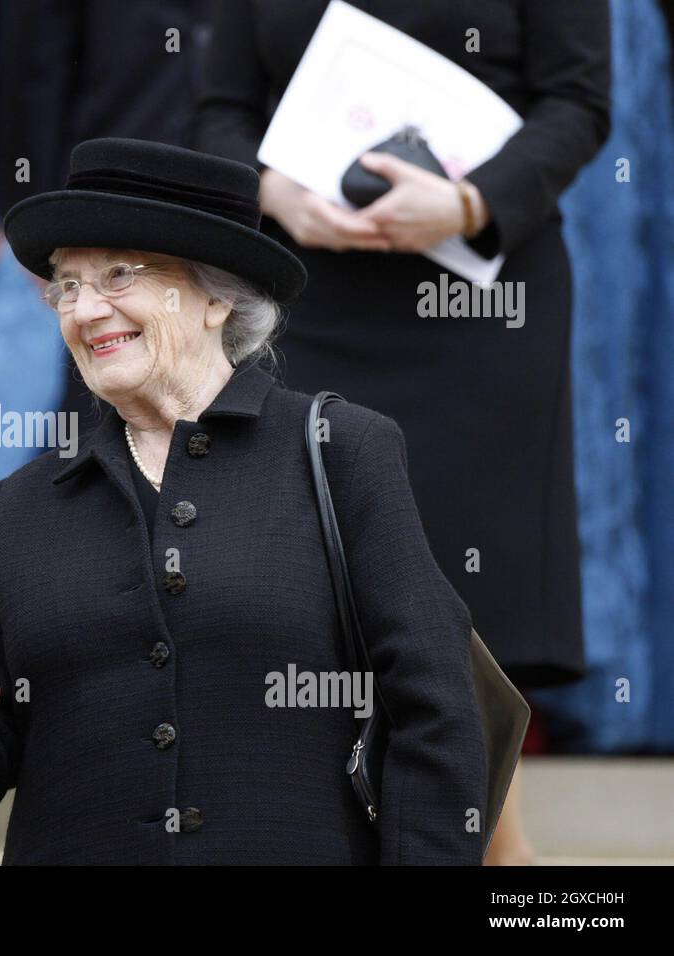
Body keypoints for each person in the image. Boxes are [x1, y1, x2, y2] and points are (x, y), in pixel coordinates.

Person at [0, 138, 488, 865]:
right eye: (66, 287)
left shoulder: (342, 451)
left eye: (117, 276)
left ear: (216, 296)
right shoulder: (21, 506)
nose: (84, 311)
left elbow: (436, 709)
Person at [191, 0, 611, 865]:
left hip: (482, 301)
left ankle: (497, 856)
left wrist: (467, 202)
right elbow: (218, 109)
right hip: (306, 290)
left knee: (463, 583)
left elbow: (579, 101)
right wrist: (274, 193)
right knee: (301, 565)